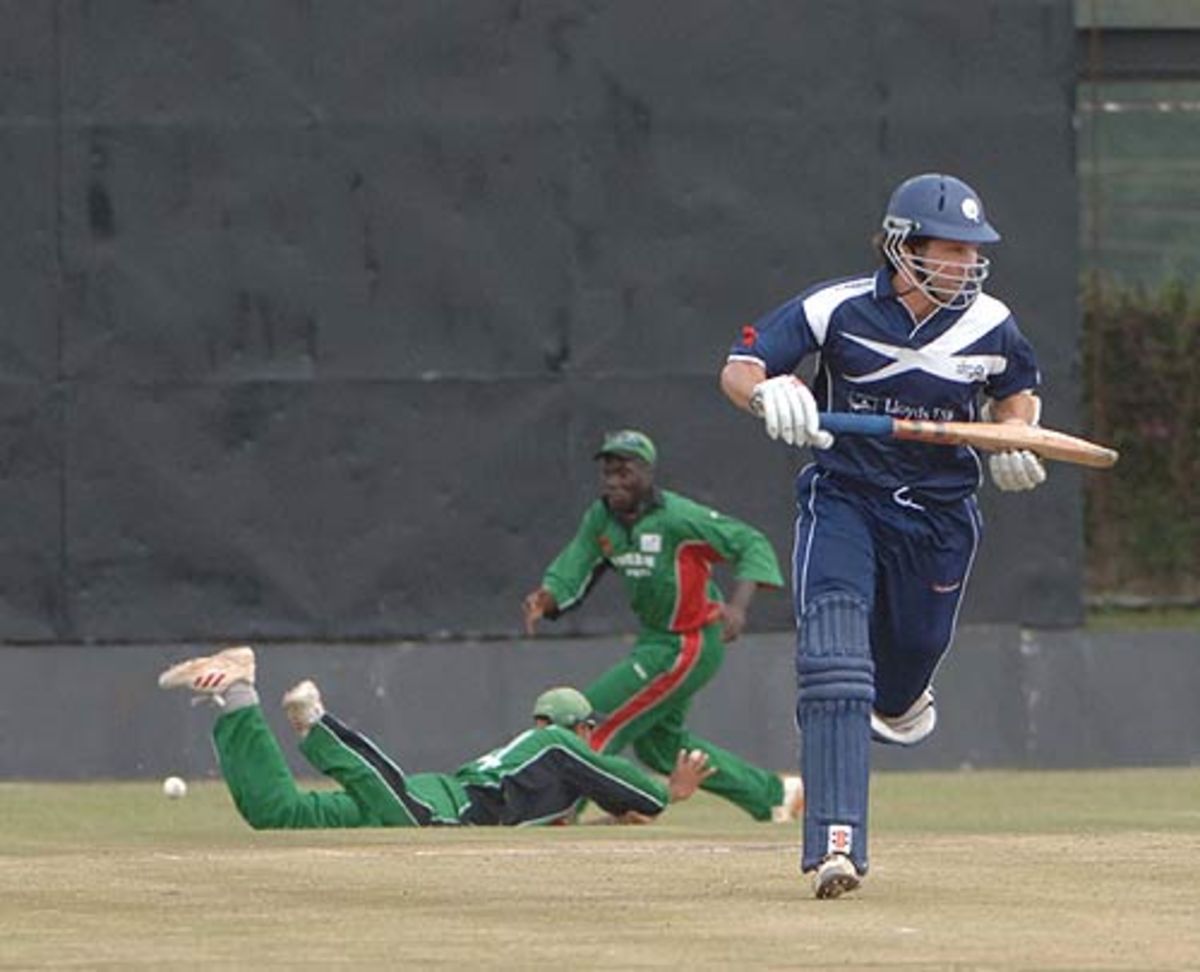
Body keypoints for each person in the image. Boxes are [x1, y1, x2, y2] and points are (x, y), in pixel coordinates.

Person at [719, 172, 1045, 898]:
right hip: (847, 500)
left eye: (973, 251)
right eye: (950, 249)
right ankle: (837, 845)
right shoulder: (835, 309)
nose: (965, 264)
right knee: (835, 665)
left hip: (939, 518)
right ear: (902, 247)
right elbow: (741, 368)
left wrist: (1016, 435)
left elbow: (1015, 390)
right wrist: (770, 390)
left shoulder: (991, 321)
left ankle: (899, 701)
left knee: (904, 671)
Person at [522, 429, 805, 824]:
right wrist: (549, 596)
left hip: (688, 642)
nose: (614, 482)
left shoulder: (677, 517)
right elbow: (577, 561)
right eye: (608, 472)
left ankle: (560, 814)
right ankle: (778, 796)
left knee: (596, 719)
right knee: (661, 748)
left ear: (647, 472)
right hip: (657, 640)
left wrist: (738, 607)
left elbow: (750, 542)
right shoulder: (602, 517)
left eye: (625, 472)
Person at [157, 645, 713, 828]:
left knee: (278, 814)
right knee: (406, 814)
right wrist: (667, 793)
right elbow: (634, 791)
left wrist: (615, 818)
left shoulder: (552, 771)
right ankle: (319, 725)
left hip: (435, 793)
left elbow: (565, 819)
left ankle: (236, 692)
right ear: (581, 729)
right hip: (445, 809)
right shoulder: (557, 747)